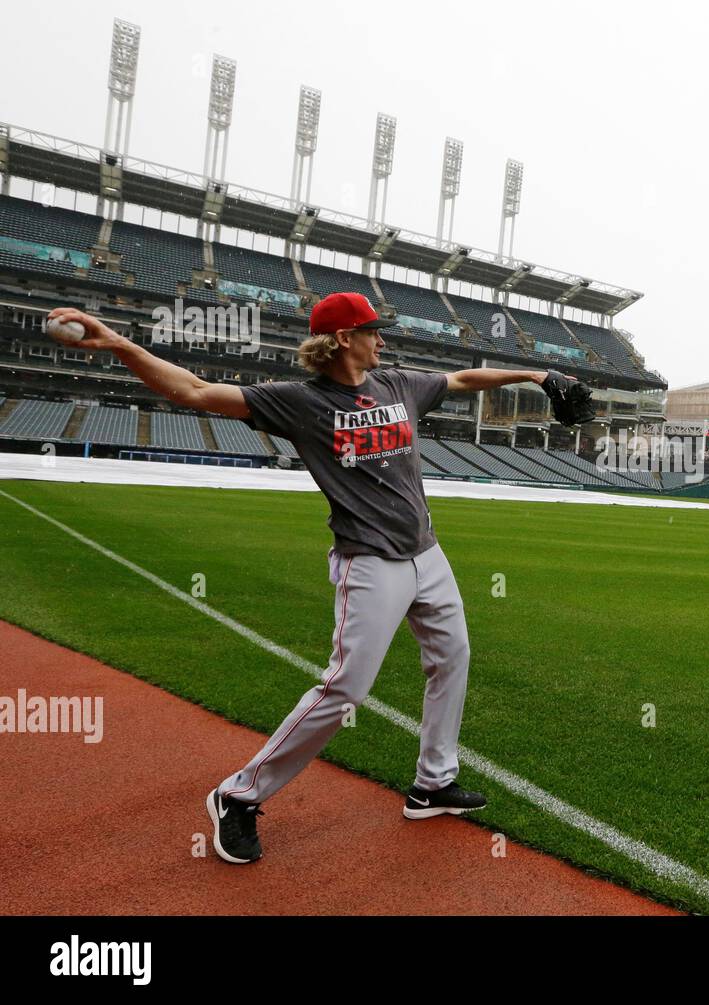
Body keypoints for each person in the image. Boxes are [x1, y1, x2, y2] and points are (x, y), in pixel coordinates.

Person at [47, 293, 554, 865]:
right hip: (369, 561)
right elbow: (191, 390)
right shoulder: (301, 402)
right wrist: (117, 342)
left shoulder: (400, 385)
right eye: (372, 330)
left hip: (428, 555)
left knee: (453, 657)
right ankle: (238, 794)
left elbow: (464, 377)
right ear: (343, 338)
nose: (382, 340)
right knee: (346, 689)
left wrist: (536, 372)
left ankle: (433, 782)